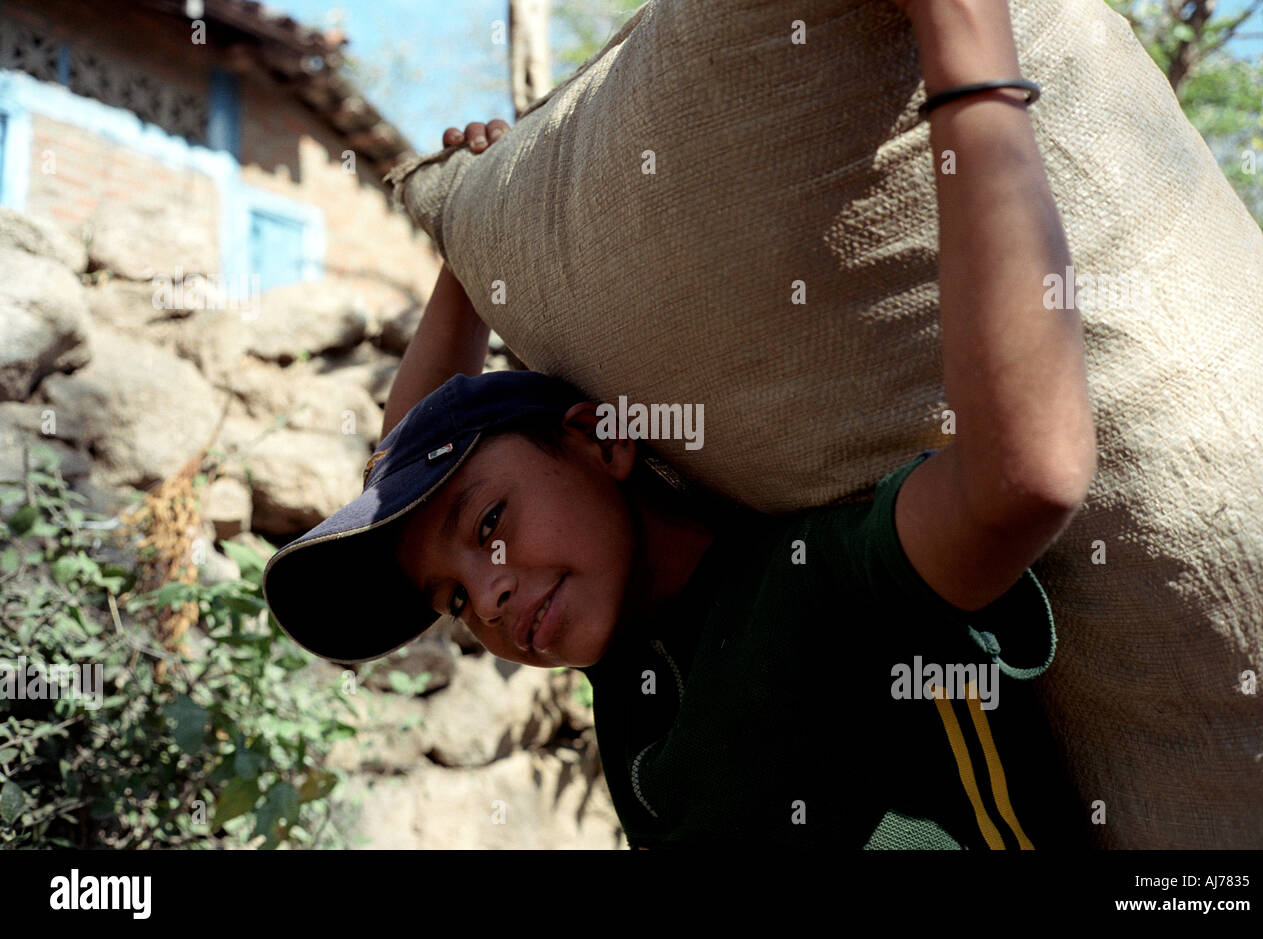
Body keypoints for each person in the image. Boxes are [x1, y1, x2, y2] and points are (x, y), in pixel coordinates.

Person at [261, 0, 1096, 849]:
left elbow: (1025, 478)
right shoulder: (632, 677)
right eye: (454, 600)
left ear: (602, 439)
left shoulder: (807, 585)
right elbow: (408, 461)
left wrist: (969, 63)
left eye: (488, 527)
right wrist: (471, 247)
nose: (489, 599)